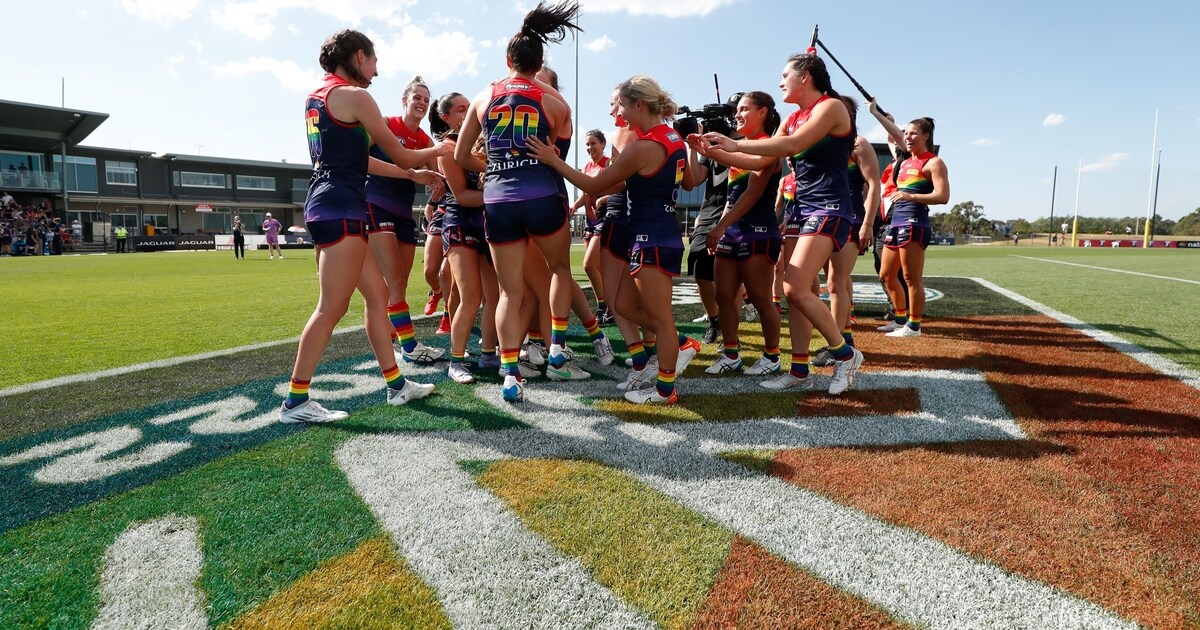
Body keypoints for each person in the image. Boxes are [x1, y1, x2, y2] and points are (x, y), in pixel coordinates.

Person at [280, 28, 447, 424]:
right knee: (331, 308)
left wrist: (413, 176)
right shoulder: (356, 96)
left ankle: (396, 384)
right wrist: (437, 152)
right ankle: (295, 401)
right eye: (373, 60)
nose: (376, 69)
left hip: (328, 204)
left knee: (378, 297)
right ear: (358, 56)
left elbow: (365, 161)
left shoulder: (317, 97)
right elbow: (403, 154)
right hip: (342, 208)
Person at [696, 52, 865, 396]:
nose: (780, 81)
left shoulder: (831, 107)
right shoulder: (792, 118)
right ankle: (799, 368)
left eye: (785, 74)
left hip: (829, 208)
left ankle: (845, 355)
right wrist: (714, 151)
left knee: (794, 286)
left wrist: (733, 142)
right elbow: (761, 158)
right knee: (800, 295)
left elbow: (794, 144)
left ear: (805, 76)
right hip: (801, 211)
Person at [530, 74, 701, 404]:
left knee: (661, 319)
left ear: (639, 104)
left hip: (651, 236)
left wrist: (553, 161)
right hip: (656, 234)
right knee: (622, 303)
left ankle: (665, 389)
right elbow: (690, 182)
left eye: (621, 104)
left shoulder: (643, 146)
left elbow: (595, 186)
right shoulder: (672, 139)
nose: (618, 112)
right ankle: (676, 347)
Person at [454, 0, 584, 402]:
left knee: (509, 293)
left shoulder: (483, 96)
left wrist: (495, 164)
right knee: (560, 267)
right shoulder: (556, 102)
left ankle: (510, 376)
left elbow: (460, 157)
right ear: (539, 60)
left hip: (499, 198)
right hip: (543, 193)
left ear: (508, 58)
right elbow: (558, 151)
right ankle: (558, 344)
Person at [364, 75, 447, 365]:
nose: (422, 103)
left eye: (426, 100)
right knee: (392, 281)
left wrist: (442, 181)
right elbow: (359, 157)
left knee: (397, 284)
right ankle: (408, 345)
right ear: (405, 101)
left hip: (403, 213)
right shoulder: (386, 124)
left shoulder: (425, 140)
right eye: (417, 98)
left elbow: (438, 179)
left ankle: (389, 342)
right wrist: (422, 166)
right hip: (375, 207)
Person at [700, 91, 784, 377]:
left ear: (763, 112)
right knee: (723, 295)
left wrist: (721, 226)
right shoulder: (741, 148)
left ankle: (772, 356)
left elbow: (753, 193)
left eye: (745, 108)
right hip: (732, 231)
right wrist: (720, 226)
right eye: (737, 109)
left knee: (761, 298)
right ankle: (731, 354)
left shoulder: (770, 146)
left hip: (758, 231)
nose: (738, 114)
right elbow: (731, 197)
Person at [432, 92, 500, 384]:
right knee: (470, 296)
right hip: (460, 222)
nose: (467, 113)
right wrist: (502, 194)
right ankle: (456, 360)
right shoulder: (446, 149)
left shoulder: (480, 142)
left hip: (486, 221)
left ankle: (487, 354)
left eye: (469, 108)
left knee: (495, 296)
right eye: (460, 109)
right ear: (445, 117)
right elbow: (461, 195)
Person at [871, 113, 949, 337]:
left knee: (911, 278)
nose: (907, 137)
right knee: (886, 274)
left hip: (914, 223)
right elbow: (894, 136)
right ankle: (900, 319)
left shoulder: (933, 162)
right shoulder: (904, 161)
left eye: (913, 133)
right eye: (905, 133)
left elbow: (943, 196)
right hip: (895, 224)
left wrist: (910, 197)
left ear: (926, 136)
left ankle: (914, 325)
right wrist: (876, 112)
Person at [687, 119, 733, 346]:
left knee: (730, 278)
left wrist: (724, 223)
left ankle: (733, 331)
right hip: (708, 215)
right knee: (700, 270)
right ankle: (715, 321)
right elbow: (694, 179)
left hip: (734, 214)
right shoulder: (707, 153)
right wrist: (692, 149)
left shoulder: (741, 145)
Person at [574, 129, 612, 324]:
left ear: (603, 144)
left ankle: (605, 306)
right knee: (594, 268)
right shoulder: (586, 167)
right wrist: (574, 206)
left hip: (606, 219)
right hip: (591, 221)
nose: (590, 148)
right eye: (587, 144)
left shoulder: (609, 164)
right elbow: (585, 192)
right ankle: (605, 306)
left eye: (593, 143)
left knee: (590, 266)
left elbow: (621, 188)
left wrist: (604, 199)